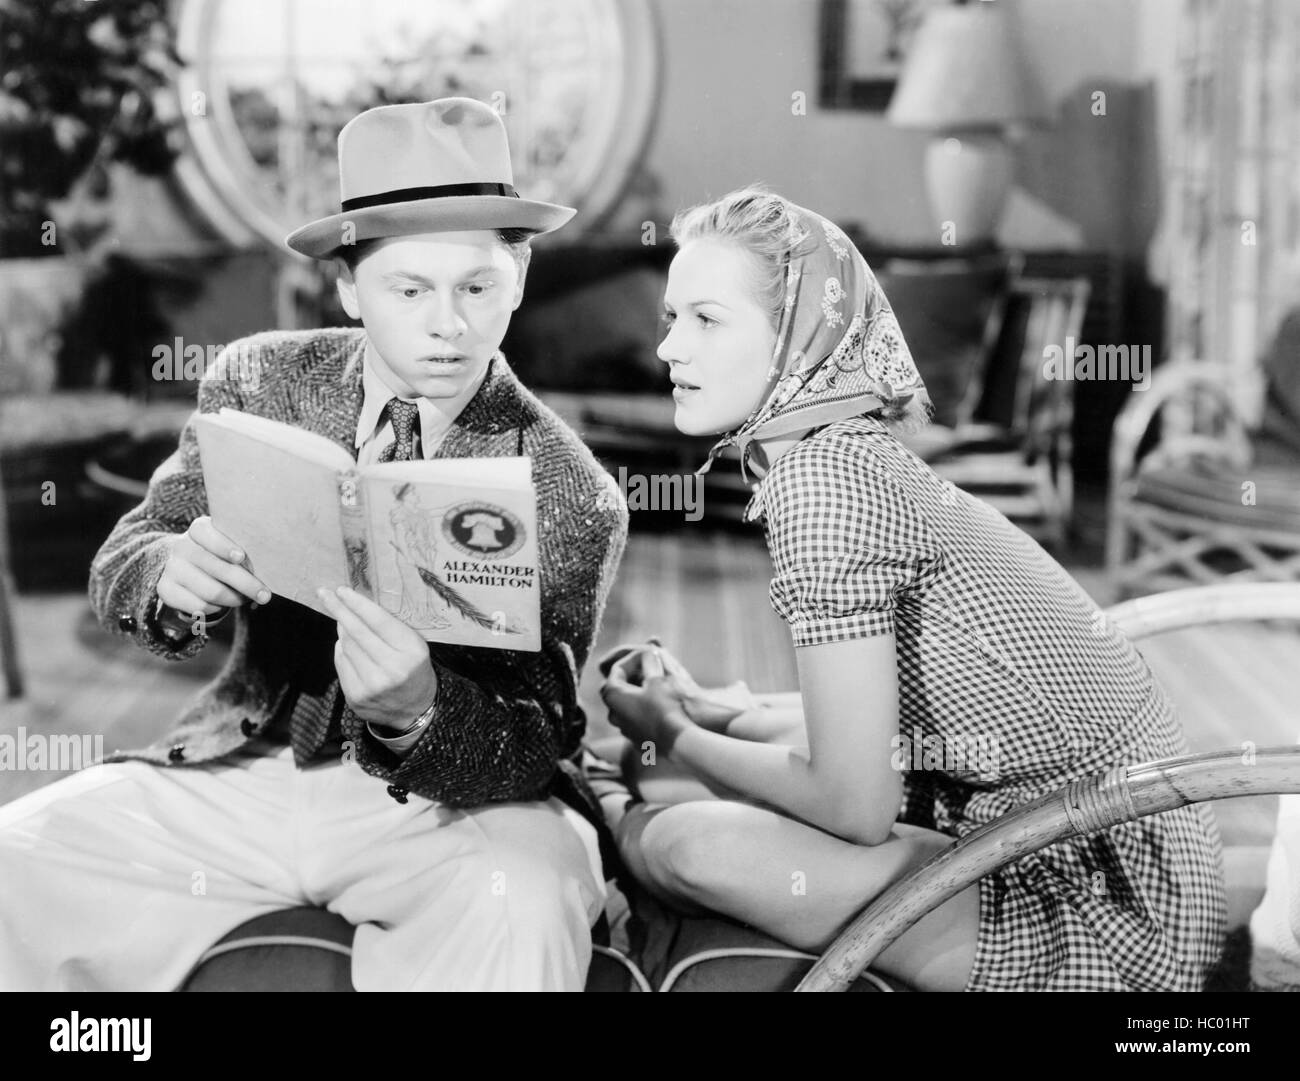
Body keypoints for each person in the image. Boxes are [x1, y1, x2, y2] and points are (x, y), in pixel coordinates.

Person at [0, 98, 628, 991]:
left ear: (520, 274)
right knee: (14, 861)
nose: (447, 322)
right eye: (408, 290)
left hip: (441, 807)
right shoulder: (257, 378)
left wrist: (422, 709)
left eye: (477, 286)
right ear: (345, 288)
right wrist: (168, 575)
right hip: (250, 762)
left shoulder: (570, 488)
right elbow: (125, 556)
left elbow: (539, 737)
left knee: (523, 898)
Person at [598, 187, 1226, 992]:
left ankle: (617, 839)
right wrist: (708, 711)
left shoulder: (824, 483)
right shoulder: (845, 447)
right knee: (645, 761)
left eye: (707, 320)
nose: (669, 350)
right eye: (672, 318)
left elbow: (856, 802)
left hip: (1101, 892)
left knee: (678, 839)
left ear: (796, 334)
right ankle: (635, 803)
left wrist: (679, 733)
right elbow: (910, 706)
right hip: (1041, 814)